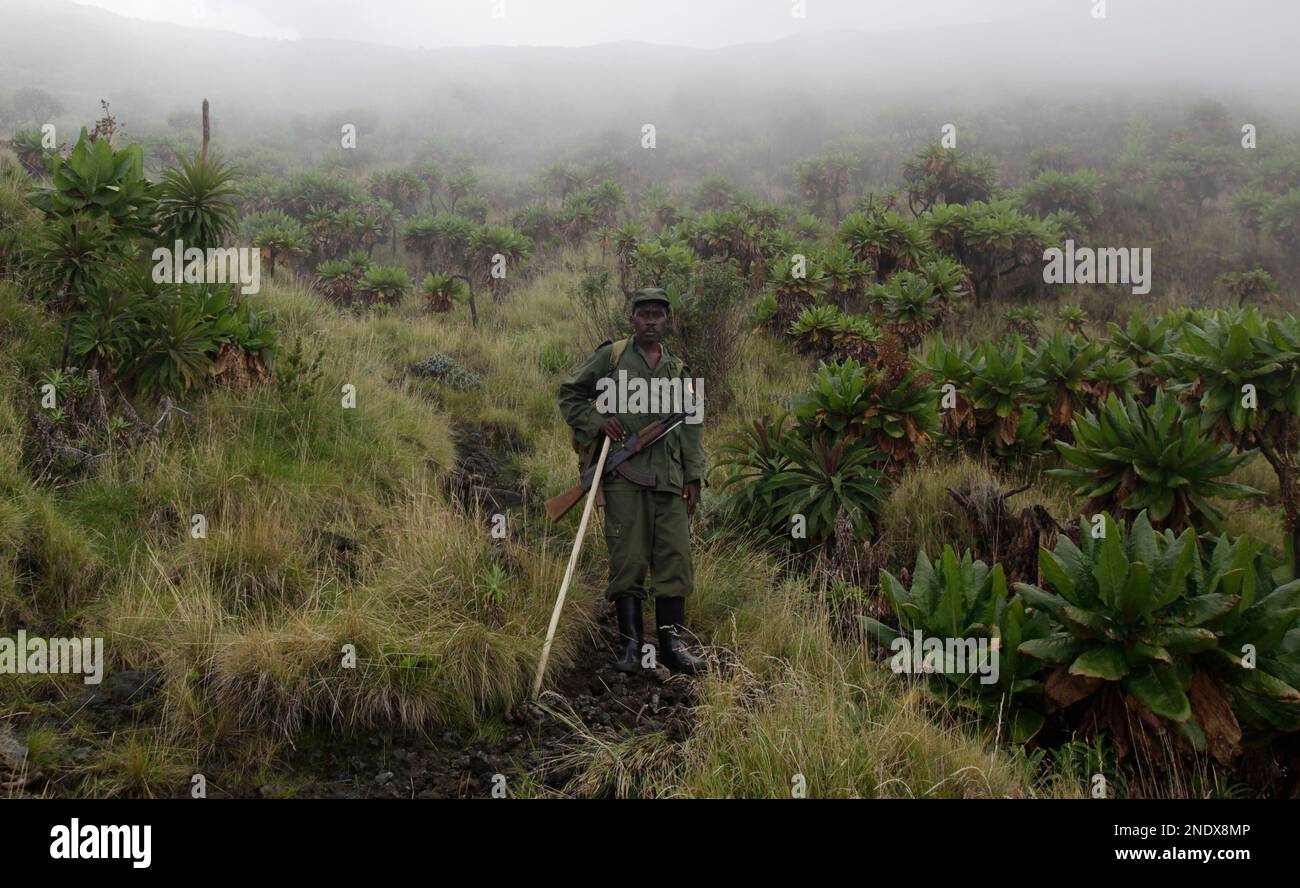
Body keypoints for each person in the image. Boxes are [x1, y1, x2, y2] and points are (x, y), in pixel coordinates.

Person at [557, 288, 707, 674]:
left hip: (670, 481)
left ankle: (671, 647)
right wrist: (596, 422)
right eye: (645, 315)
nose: (652, 321)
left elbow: (691, 427)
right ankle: (631, 646)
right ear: (633, 319)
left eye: (659, 314)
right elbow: (570, 393)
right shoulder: (613, 357)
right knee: (628, 558)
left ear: (668, 320)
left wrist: (693, 477)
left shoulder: (678, 370)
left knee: (675, 560)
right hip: (623, 478)